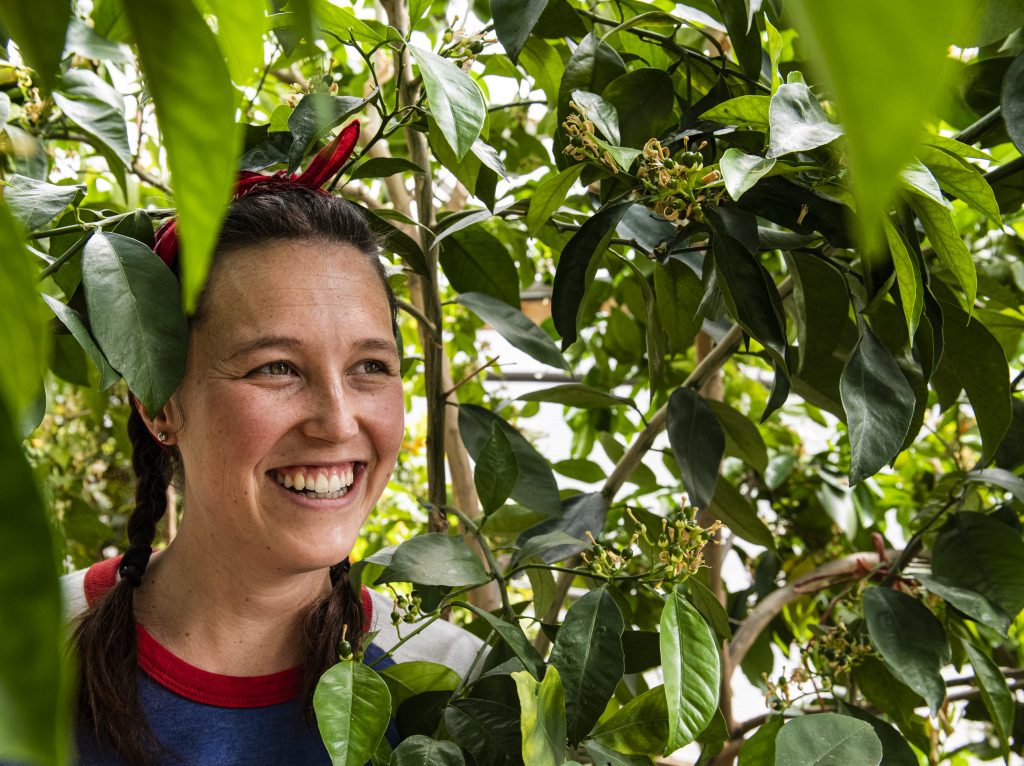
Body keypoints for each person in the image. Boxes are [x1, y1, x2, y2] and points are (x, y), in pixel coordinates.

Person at [60, 123, 482, 765]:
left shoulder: (456, 686)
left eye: (370, 366)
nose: (339, 424)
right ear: (161, 403)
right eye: (276, 368)